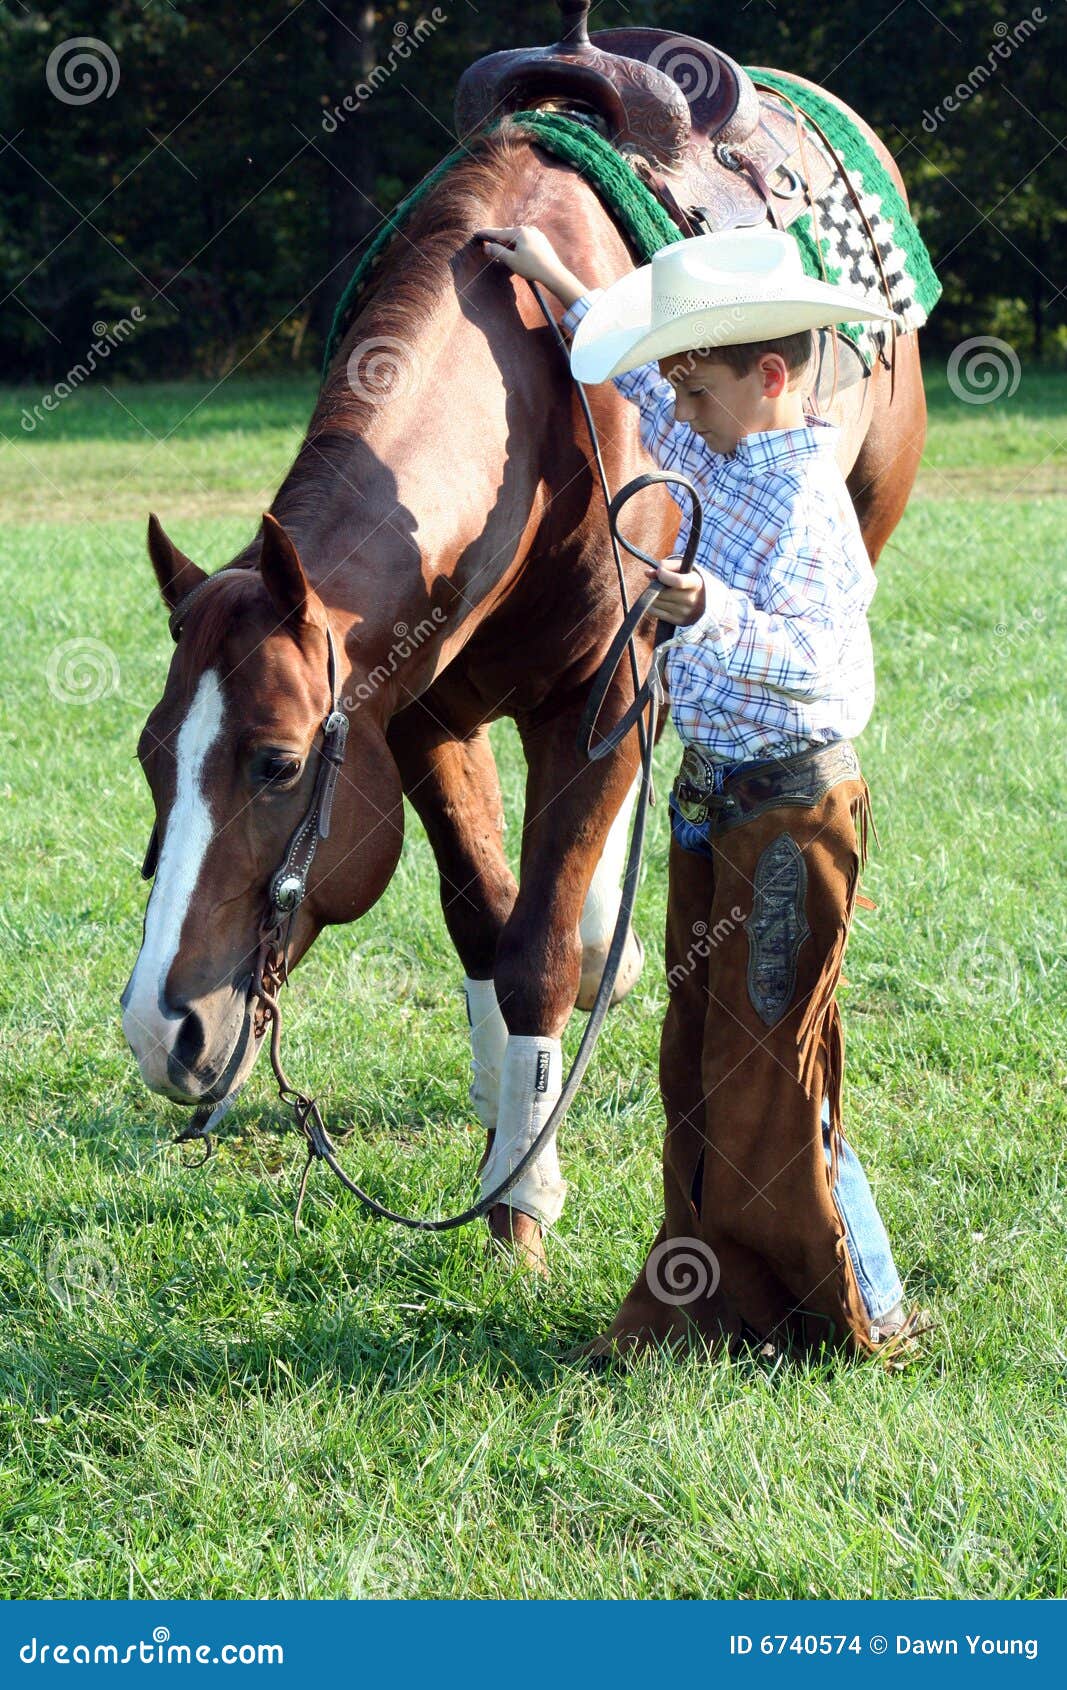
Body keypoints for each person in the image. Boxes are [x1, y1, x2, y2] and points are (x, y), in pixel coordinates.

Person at [475, 221, 921, 1361]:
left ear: (768, 377)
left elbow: (822, 665)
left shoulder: (811, 505)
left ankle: (837, 1310)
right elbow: (636, 373)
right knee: (710, 1049)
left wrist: (707, 610)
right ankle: (721, 1294)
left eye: (699, 383)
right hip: (718, 802)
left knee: (766, 1061)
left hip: (786, 813)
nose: (679, 405)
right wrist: (559, 280)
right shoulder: (725, 442)